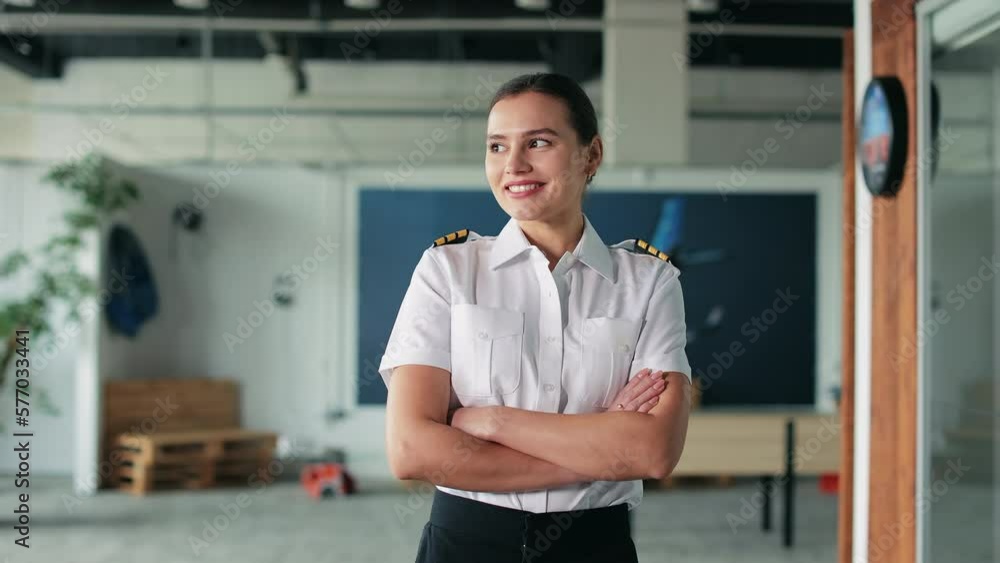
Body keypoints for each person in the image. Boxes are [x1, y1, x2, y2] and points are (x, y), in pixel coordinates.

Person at [378, 72, 692, 563]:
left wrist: (489, 420)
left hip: (594, 547)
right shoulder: (447, 271)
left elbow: (651, 452)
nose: (514, 165)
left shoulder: (649, 282)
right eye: (497, 147)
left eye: (538, 142)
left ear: (591, 156)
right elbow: (411, 450)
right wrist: (601, 447)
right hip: (465, 543)